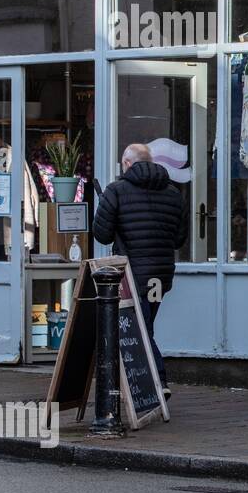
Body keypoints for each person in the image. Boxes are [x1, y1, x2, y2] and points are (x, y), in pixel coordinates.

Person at [93, 143, 189, 398]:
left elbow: (101, 235)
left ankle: (157, 381)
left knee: (142, 331)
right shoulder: (173, 193)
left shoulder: (116, 191)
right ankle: (146, 387)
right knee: (147, 325)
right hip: (161, 276)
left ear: (126, 163)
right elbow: (179, 239)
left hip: (133, 274)